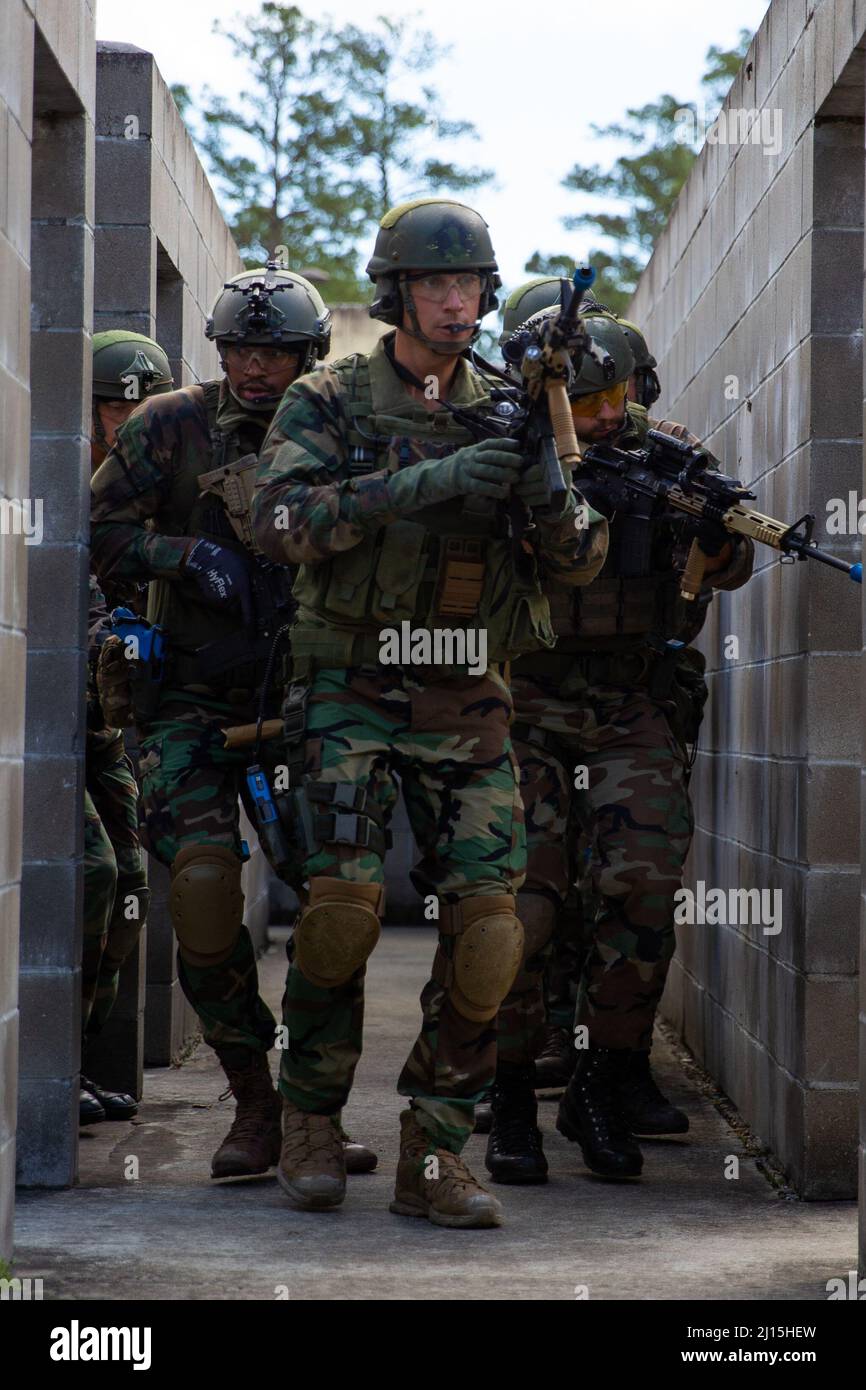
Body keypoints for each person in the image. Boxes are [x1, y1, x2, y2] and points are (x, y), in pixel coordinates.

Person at [251, 198, 608, 1227]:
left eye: (470, 287)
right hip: (349, 686)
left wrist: (541, 482)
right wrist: (428, 477)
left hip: (467, 693)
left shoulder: (515, 401)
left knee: (492, 928)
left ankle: (435, 1149)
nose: (456, 302)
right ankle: (309, 1120)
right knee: (338, 913)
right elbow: (279, 521)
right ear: (396, 293)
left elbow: (576, 557)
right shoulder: (329, 397)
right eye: (436, 285)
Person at [91, 267, 376, 1179]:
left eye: (276, 352)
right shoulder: (168, 424)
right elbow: (95, 528)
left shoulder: (345, 425)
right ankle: (253, 1099)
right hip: (190, 706)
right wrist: (182, 556)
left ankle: (314, 1114)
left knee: (338, 909)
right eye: (240, 350)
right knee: (205, 898)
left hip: (313, 705)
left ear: (308, 354)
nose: (255, 368)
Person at [486, 309, 753, 1183]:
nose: (602, 415)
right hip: (524, 698)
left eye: (616, 395)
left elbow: (731, 566)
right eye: (584, 397)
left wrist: (715, 537)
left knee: (639, 883)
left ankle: (604, 1082)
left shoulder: (670, 455)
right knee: (526, 903)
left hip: (631, 698)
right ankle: (515, 1094)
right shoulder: (504, 448)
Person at [80, 332, 174, 1125]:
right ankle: (50, 1064)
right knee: (92, 873)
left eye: (141, 407)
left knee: (134, 881)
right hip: (47, 730)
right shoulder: (51, 481)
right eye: (114, 405)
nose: (126, 422)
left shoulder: (152, 492)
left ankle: (70, 1058)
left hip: (103, 726)